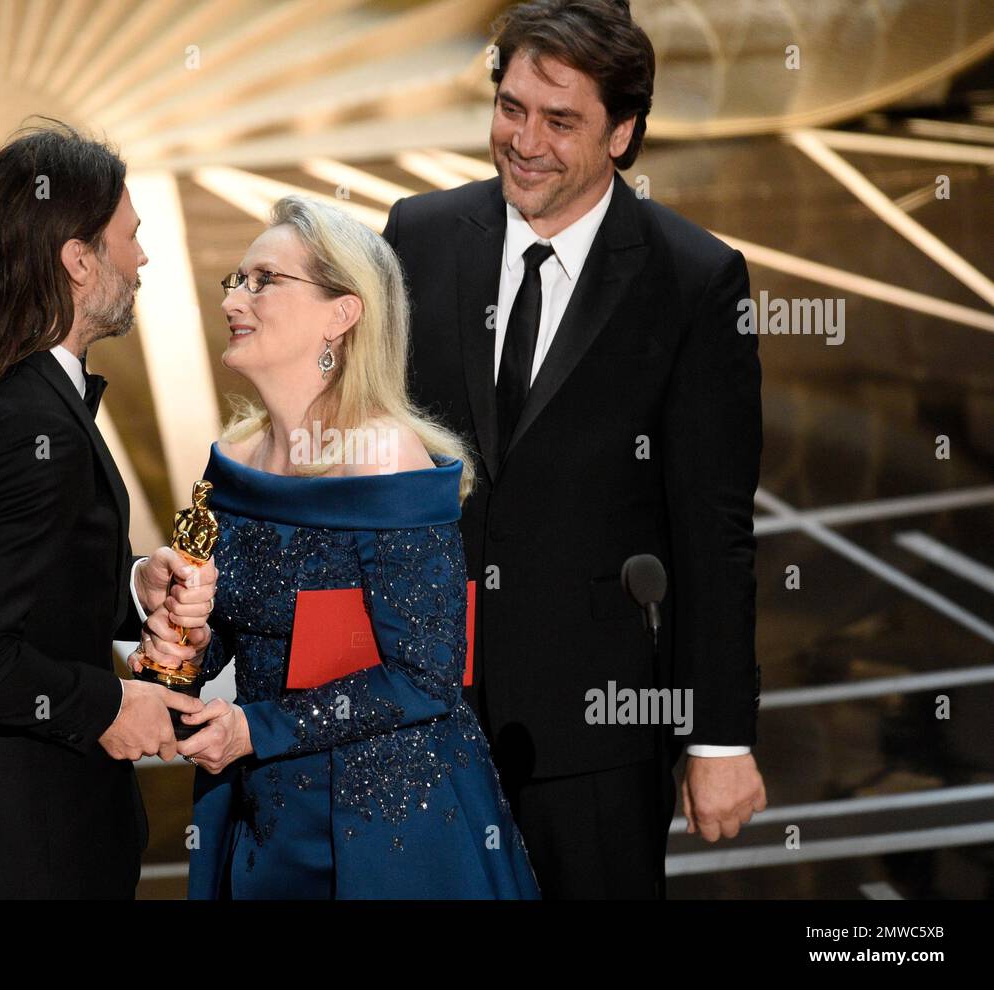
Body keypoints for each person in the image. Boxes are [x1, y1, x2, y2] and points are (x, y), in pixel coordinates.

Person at [380, 0, 767, 898]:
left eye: (562, 122)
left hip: (597, 738)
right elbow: (370, 459)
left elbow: (714, 531)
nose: (526, 141)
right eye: (512, 108)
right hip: (419, 716)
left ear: (623, 134)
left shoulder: (695, 279)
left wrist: (719, 737)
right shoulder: (420, 237)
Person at [133, 195, 539, 898]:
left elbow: (426, 676)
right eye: (237, 278)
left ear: (341, 314)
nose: (236, 296)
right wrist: (187, 641)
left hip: (389, 830)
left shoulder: (384, 456)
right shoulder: (233, 460)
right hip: (263, 815)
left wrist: (254, 729)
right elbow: (239, 638)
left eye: (265, 280)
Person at [0, 122, 217, 899]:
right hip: (34, 837)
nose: (142, 259)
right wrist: (111, 702)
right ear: (79, 260)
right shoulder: (30, 420)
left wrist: (132, 584)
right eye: (130, 238)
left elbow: (12, 584)